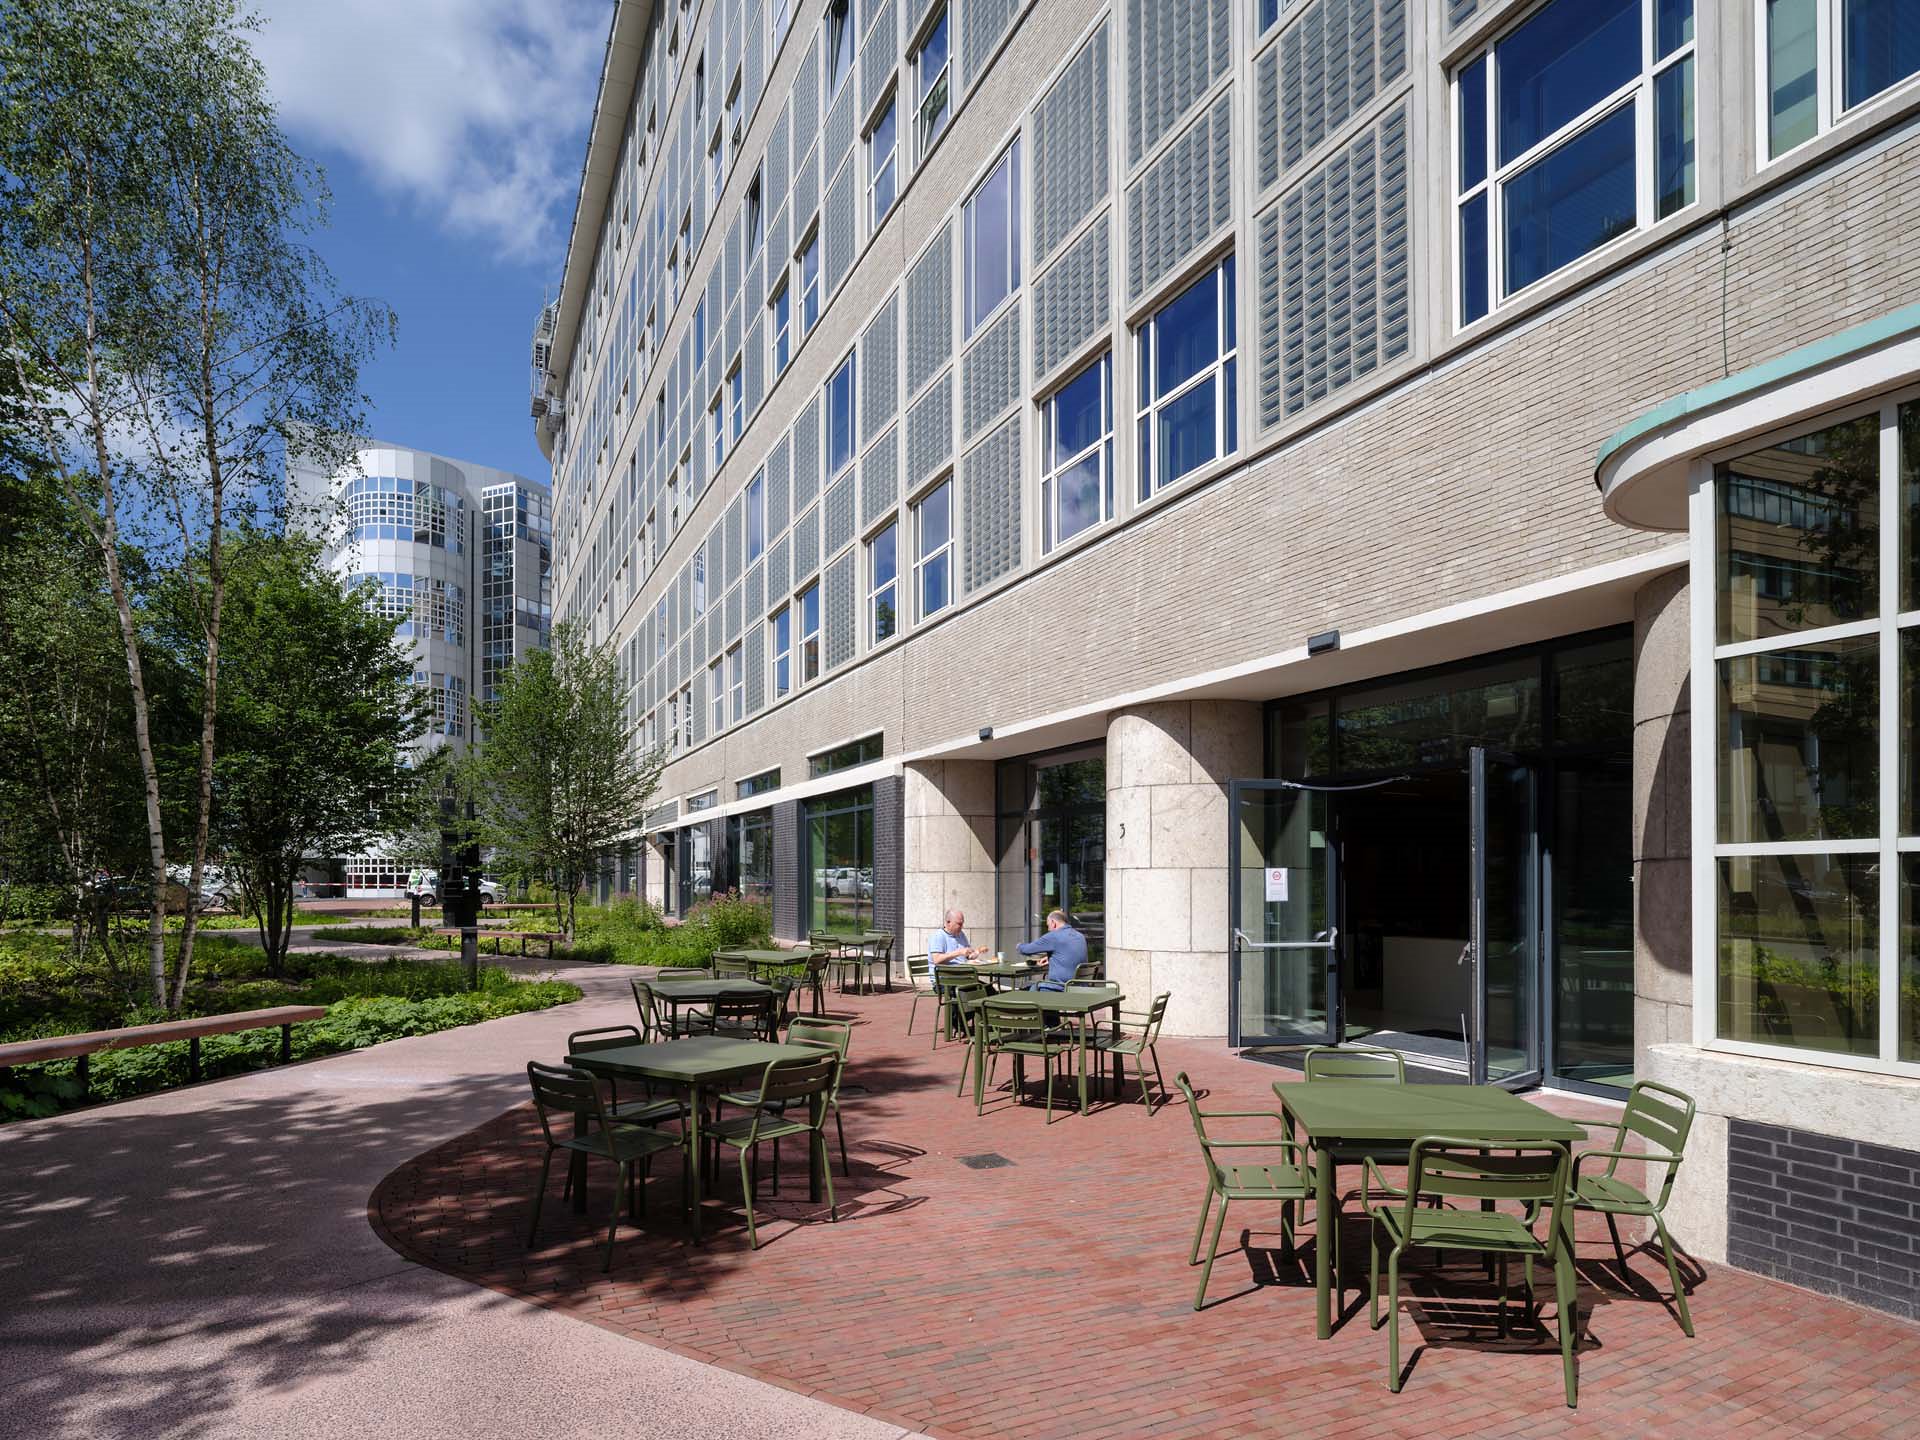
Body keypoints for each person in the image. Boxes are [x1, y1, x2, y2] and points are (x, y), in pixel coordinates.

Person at [1017, 909, 1087, 991]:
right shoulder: (1080, 936)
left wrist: (1019, 945)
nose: (1048, 929)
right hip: (1079, 986)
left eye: (1048, 925)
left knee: (1031, 989)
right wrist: (1051, 958)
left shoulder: (1054, 936)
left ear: (1053, 923)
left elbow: (1026, 950)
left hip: (1061, 987)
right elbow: (1070, 954)